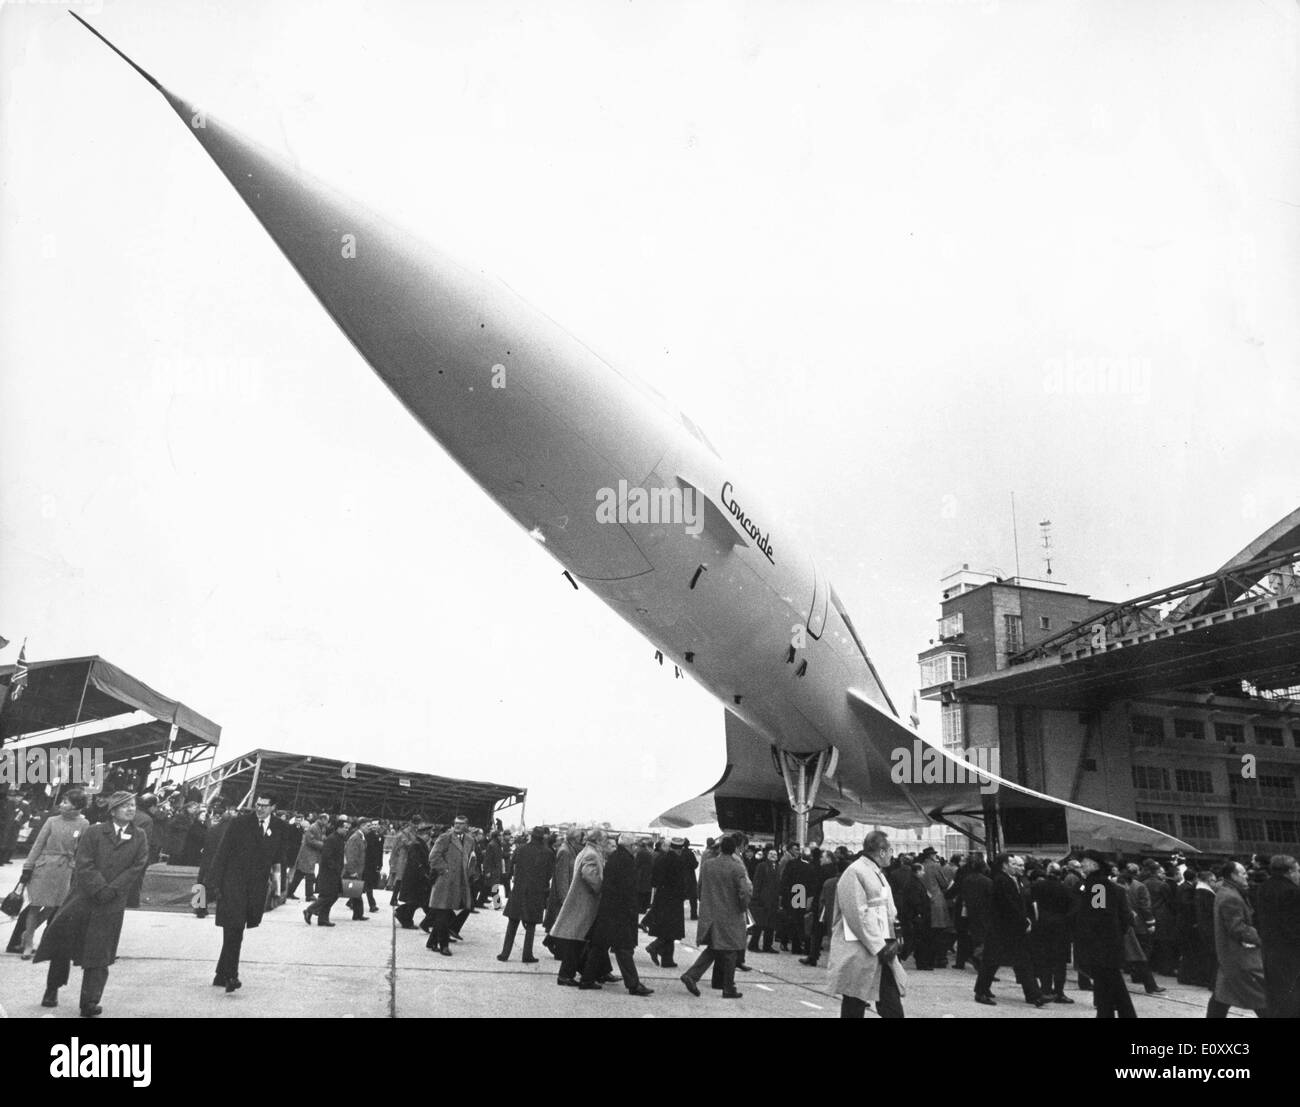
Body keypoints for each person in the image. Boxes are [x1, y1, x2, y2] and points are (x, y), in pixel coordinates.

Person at [32, 790, 148, 1017]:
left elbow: (138, 865)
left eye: (133, 805)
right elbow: (84, 862)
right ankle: (52, 989)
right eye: (125, 805)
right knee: (63, 945)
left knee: (100, 953)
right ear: (113, 811)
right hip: (82, 898)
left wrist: (112, 890)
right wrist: (99, 888)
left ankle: (90, 1001)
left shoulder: (140, 835)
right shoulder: (94, 832)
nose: (131, 809)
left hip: (111, 903)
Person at [204, 795, 285, 993]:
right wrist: (212, 882)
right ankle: (232, 975)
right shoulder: (240, 823)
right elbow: (222, 852)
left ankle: (221, 974)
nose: (260, 809)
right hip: (233, 883)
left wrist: (278, 887)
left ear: (273, 807)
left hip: (256, 887)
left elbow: (279, 859)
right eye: (258, 805)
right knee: (235, 927)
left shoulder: (280, 827)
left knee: (236, 929)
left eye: (265, 806)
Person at [827, 830, 905, 1018]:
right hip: (864, 951)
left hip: (879, 950)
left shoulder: (875, 872)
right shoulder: (855, 872)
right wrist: (880, 946)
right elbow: (857, 915)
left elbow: (887, 910)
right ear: (882, 851)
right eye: (891, 851)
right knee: (856, 1001)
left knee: (883, 1000)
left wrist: (895, 936)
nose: (892, 855)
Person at [16, 788, 89, 958]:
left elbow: (83, 849)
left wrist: (77, 868)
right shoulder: (52, 821)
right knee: (35, 905)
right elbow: (38, 845)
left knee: (54, 906)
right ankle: (28, 943)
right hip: (44, 866)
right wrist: (28, 867)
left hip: (65, 869)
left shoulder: (84, 824)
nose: (61, 804)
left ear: (76, 806)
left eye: (66, 802)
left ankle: (27, 933)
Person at [680, 835, 751, 1000]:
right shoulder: (737, 867)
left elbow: (700, 887)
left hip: (710, 912)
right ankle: (728, 987)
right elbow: (745, 892)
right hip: (730, 914)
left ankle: (692, 975)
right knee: (731, 950)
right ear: (734, 849)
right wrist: (743, 907)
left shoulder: (707, 865)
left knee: (714, 947)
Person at [583, 832, 653, 995]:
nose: (636, 847)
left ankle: (587, 979)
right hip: (620, 913)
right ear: (629, 845)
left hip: (609, 911)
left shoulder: (615, 858)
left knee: (599, 947)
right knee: (623, 949)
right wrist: (631, 911)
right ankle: (633, 985)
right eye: (634, 844)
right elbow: (627, 889)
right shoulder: (626, 861)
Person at [975, 853, 1046, 1007]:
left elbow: (1019, 903)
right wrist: (1024, 920)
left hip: (1011, 929)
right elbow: (1009, 905)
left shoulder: (1013, 880)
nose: (1017, 866)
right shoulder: (1002, 880)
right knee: (992, 961)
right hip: (1002, 928)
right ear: (1004, 865)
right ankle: (981, 991)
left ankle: (1034, 995)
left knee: (1022, 961)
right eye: (1013, 864)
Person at [1074, 849, 1136, 1018]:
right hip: (1108, 944)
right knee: (1106, 984)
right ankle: (1107, 1013)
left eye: (1085, 862)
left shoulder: (1097, 886)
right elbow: (1124, 918)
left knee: (1109, 983)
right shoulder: (1104, 884)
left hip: (1100, 945)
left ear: (1094, 865)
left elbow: (1098, 913)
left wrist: (1088, 939)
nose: (1082, 865)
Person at [1207, 860, 1267, 1018]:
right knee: (1260, 997)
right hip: (1239, 955)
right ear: (1233, 875)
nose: (1246, 876)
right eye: (1243, 873)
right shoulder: (1231, 897)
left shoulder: (1227, 891)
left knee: (1221, 997)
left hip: (1230, 955)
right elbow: (1238, 928)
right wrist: (1261, 938)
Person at [551, 827, 606, 986]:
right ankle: (566, 975)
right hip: (585, 902)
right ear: (598, 840)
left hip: (581, 902)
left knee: (578, 940)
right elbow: (588, 874)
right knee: (577, 941)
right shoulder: (591, 854)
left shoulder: (585, 851)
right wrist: (601, 887)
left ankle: (574, 973)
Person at [498, 825, 554, 962]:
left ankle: (505, 953)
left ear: (531, 836)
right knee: (531, 925)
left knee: (513, 922)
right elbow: (549, 873)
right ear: (543, 838)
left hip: (519, 890)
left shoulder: (521, 848)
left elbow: (512, 866)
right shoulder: (548, 852)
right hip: (536, 891)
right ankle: (527, 954)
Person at [1255, 853, 1300, 1019]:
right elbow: (1294, 926)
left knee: (1275, 994)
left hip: (1270, 950)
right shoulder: (1292, 892)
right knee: (1293, 996)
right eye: (1298, 871)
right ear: (1289, 871)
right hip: (1290, 953)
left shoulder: (1263, 888)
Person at [427, 815, 474, 955]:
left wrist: (471, 873)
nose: (457, 826)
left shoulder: (470, 840)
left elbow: (471, 858)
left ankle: (431, 941)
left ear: (466, 826)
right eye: (456, 824)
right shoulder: (445, 838)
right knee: (443, 912)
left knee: (446, 912)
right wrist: (444, 870)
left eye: (461, 824)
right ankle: (444, 945)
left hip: (460, 882)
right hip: (445, 882)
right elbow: (433, 856)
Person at [1029, 862, 1075, 1004]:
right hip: (1061, 929)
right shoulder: (1065, 889)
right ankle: (1059, 992)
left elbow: (1029, 903)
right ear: (1060, 873)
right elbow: (1072, 908)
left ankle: (1045, 989)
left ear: (1047, 872)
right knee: (1060, 963)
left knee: (1044, 960)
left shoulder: (1037, 886)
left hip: (1041, 927)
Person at [645, 836, 688, 968]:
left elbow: (654, 879)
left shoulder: (661, 858)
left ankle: (667, 959)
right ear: (680, 849)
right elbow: (681, 882)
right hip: (673, 899)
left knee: (666, 928)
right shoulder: (679, 861)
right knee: (671, 929)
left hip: (661, 897)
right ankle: (654, 946)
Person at [304, 818, 350, 926]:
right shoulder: (332, 839)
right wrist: (334, 867)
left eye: (348, 828)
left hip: (334, 872)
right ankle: (310, 910)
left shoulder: (339, 839)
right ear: (338, 828)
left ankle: (322, 919)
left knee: (332, 895)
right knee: (328, 896)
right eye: (345, 828)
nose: (347, 830)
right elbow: (326, 856)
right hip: (329, 873)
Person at [395, 824, 435, 929]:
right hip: (415, 878)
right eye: (429, 834)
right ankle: (405, 918)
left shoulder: (419, 843)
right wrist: (424, 874)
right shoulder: (417, 845)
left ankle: (401, 914)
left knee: (417, 900)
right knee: (416, 900)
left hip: (416, 877)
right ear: (424, 835)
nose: (430, 837)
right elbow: (416, 862)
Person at [288, 813, 327, 901]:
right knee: (310, 875)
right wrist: (322, 844)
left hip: (309, 854)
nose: (327, 822)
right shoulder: (314, 827)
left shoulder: (320, 827)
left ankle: (289, 892)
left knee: (299, 874)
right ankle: (309, 895)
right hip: (307, 854)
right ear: (322, 819)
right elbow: (310, 840)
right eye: (326, 820)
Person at [748, 848, 780, 952]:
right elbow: (757, 882)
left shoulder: (778, 867)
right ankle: (753, 944)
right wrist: (756, 897)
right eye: (771, 853)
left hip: (773, 900)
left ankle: (767, 945)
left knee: (770, 924)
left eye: (775, 854)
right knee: (759, 923)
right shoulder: (762, 866)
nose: (773, 855)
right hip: (762, 899)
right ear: (767, 855)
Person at [363, 820, 384, 913]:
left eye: (376, 824)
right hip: (368, 863)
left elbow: (380, 852)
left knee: (366, 883)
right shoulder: (367, 836)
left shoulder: (381, 837)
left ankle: (351, 901)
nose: (374, 826)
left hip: (374, 864)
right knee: (368, 884)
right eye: (373, 824)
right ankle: (372, 905)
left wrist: (380, 863)